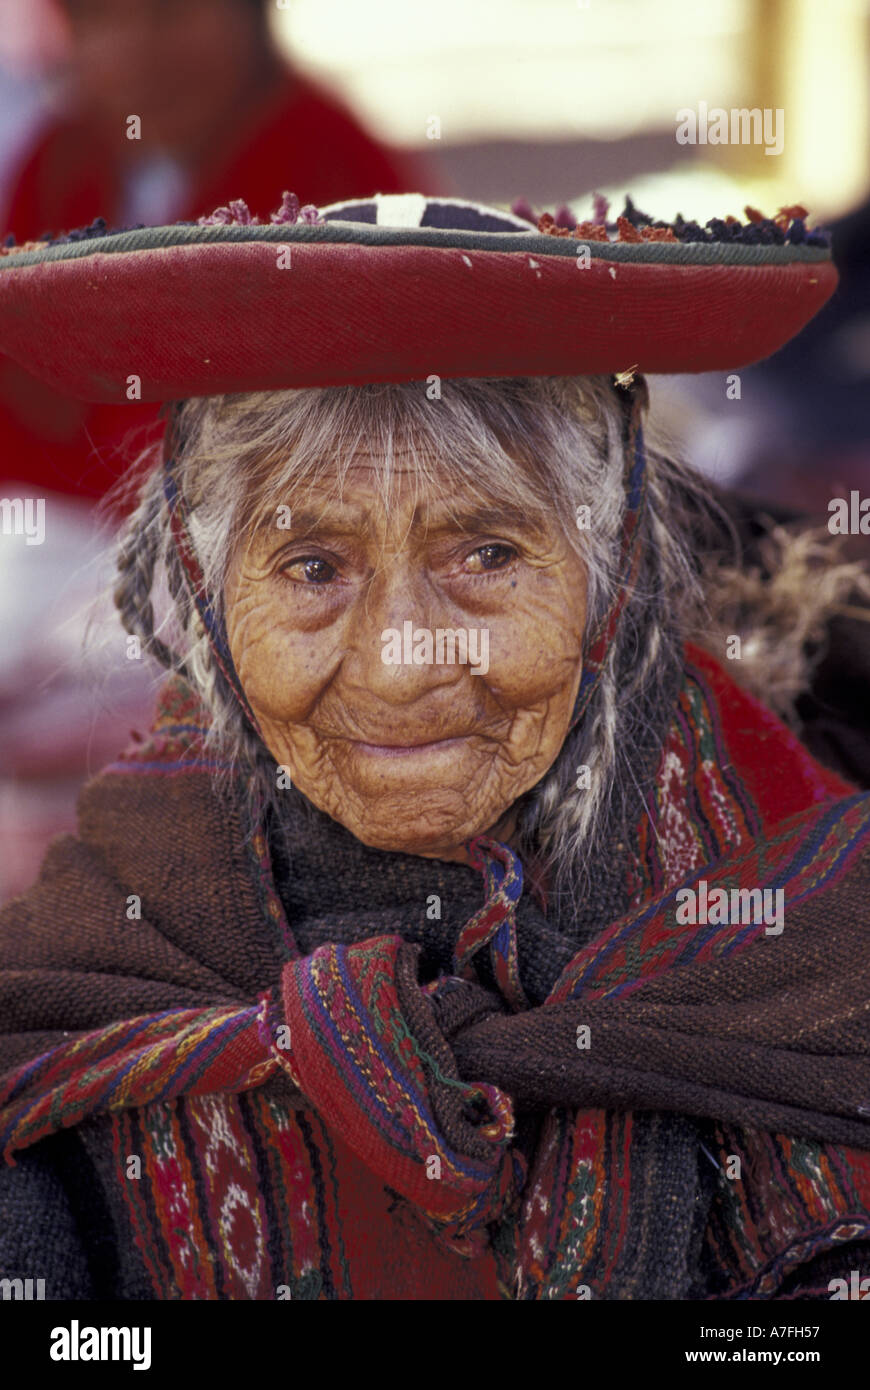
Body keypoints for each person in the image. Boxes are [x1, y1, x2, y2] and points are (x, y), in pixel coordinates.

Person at [0, 192, 868, 1300]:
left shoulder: (811, 916)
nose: (402, 664)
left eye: (489, 552)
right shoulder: (98, 961)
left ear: (613, 576)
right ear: (210, 600)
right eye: (312, 566)